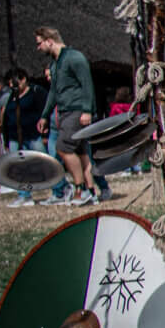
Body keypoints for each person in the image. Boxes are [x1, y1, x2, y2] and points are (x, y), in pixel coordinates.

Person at [34, 26, 106, 204]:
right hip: (66, 111)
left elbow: (87, 84)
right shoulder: (55, 63)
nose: (38, 48)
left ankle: (79, 188)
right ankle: (90, 191)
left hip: (77, 110)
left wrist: (87, 110)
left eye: (39, 43)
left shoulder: (75, 58)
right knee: (81, 152)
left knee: (63, 147)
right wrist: (45, 115)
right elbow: (53, 92)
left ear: (49, 41)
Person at [0, 67, 43, 208]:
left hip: (33, 135)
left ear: (23, 79)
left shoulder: (36, 92)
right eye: (9, 83)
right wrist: (6, 140)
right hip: (15, 137)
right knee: (19, 167)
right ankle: (24, 196)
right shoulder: (11, 97)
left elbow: (44, 112)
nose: (11, 85)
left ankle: (60, 190)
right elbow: (6, 118)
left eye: (14, 82)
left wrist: (45, 134)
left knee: (44, 164)